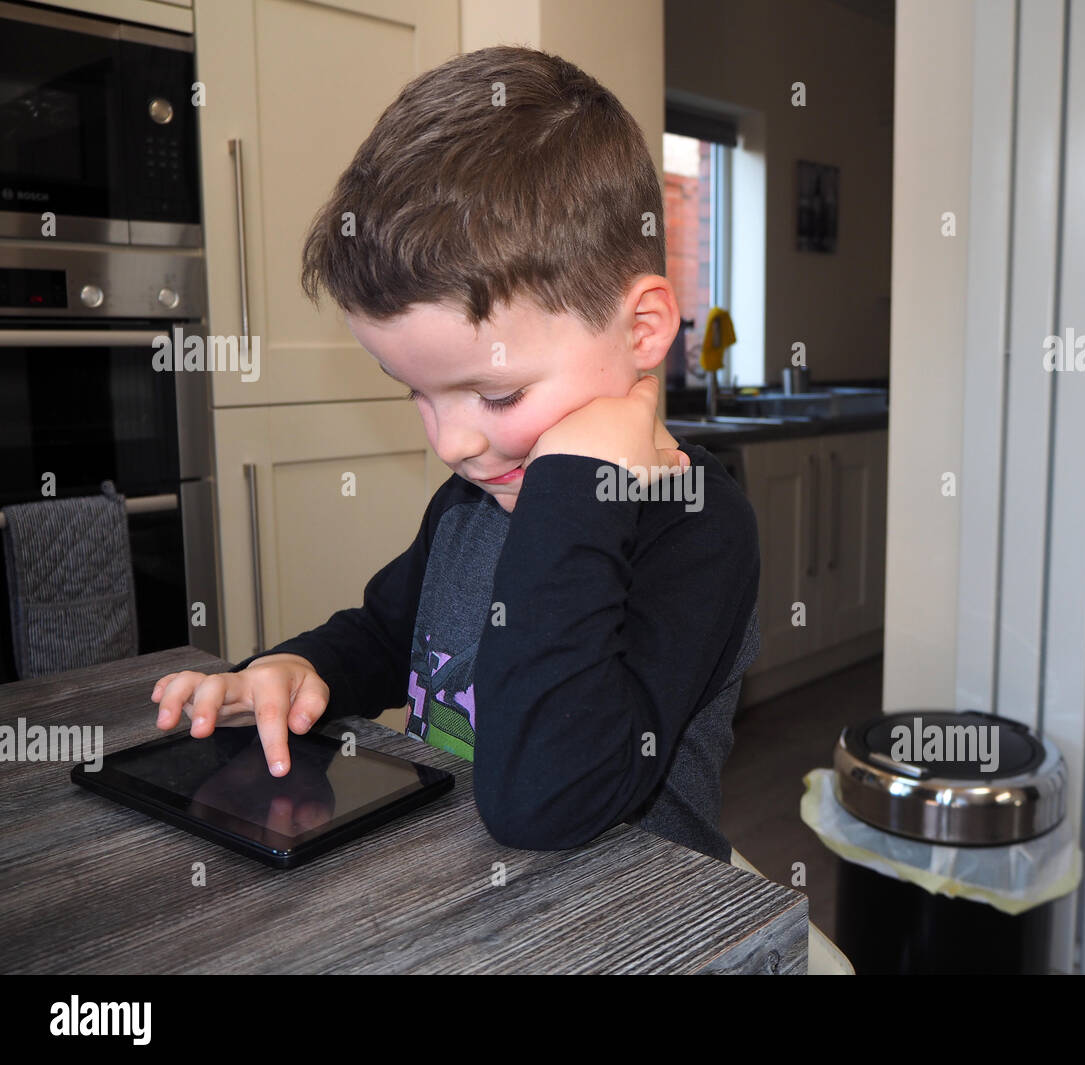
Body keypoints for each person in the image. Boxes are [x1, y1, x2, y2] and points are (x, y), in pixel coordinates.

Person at [149, 44, 760, 864]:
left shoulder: (698, 528)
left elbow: (546, 798)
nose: (452, 442)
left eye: (498, 395)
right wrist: (298, 665)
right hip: (467, 893)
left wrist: (574, 488)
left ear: (643, 331)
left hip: (633, 925)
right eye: (416, 391)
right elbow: (385, 635)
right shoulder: (476, 497)